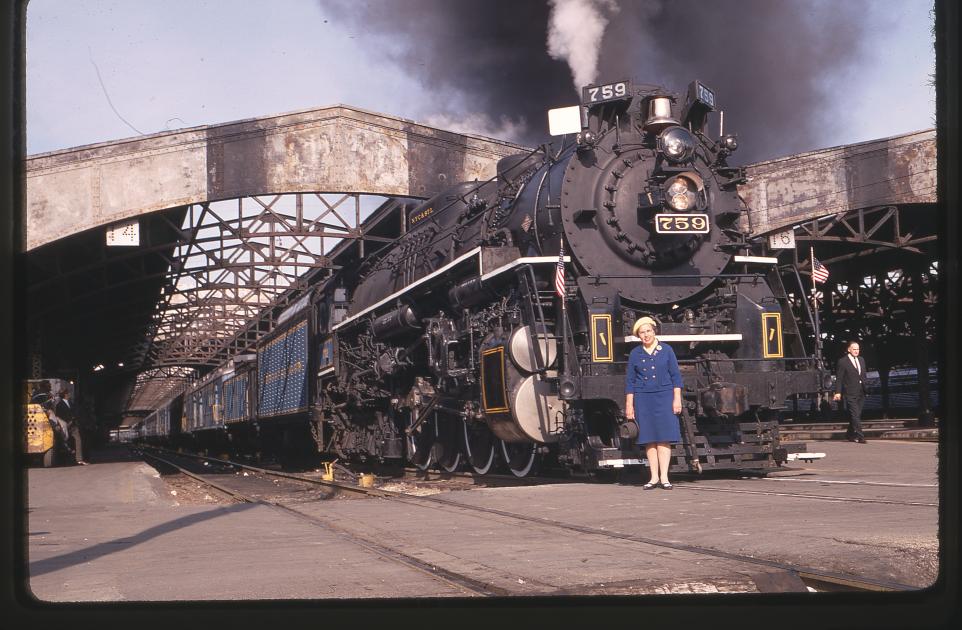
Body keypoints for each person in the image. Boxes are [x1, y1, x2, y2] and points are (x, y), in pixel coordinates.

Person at [625, 317, 683, 490]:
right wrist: (630, 405)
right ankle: (653, 477)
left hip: (664, 396)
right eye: (642, 332)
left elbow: (676, 376)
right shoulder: (635, 353)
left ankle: (665, 477)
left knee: (663, 438)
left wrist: (677, 398)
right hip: (643, 398)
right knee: (649, 439)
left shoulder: (666, 350)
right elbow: (630, 381)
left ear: (654, 331)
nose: (646, 335)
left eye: (648, 331)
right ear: (638, 335)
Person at [833, 341, 868, 443]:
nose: (856, 351)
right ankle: (860, 436)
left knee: (857, 414)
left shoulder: (861, 360)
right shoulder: (842, 361)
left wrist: (866, 386)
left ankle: (849, 434)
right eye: (854, 349)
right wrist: (838, 392)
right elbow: (839, 378)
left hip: (861, 391)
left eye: (858, 349)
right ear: (849, 349)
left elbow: (863, 375)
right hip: (850, 392)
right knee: (855, 414)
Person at [54, 388, 88, 464]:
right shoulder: (59, 405)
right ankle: (66, 459)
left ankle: (79, 459)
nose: (69, 394)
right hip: (65, 426)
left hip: (73, 425)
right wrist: (66, 422)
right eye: (68, 393)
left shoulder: (71, 403)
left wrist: (73, 419)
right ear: (65, 394)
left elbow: (75, 412)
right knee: (66, 442)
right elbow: (58, 416)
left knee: (78, 440)